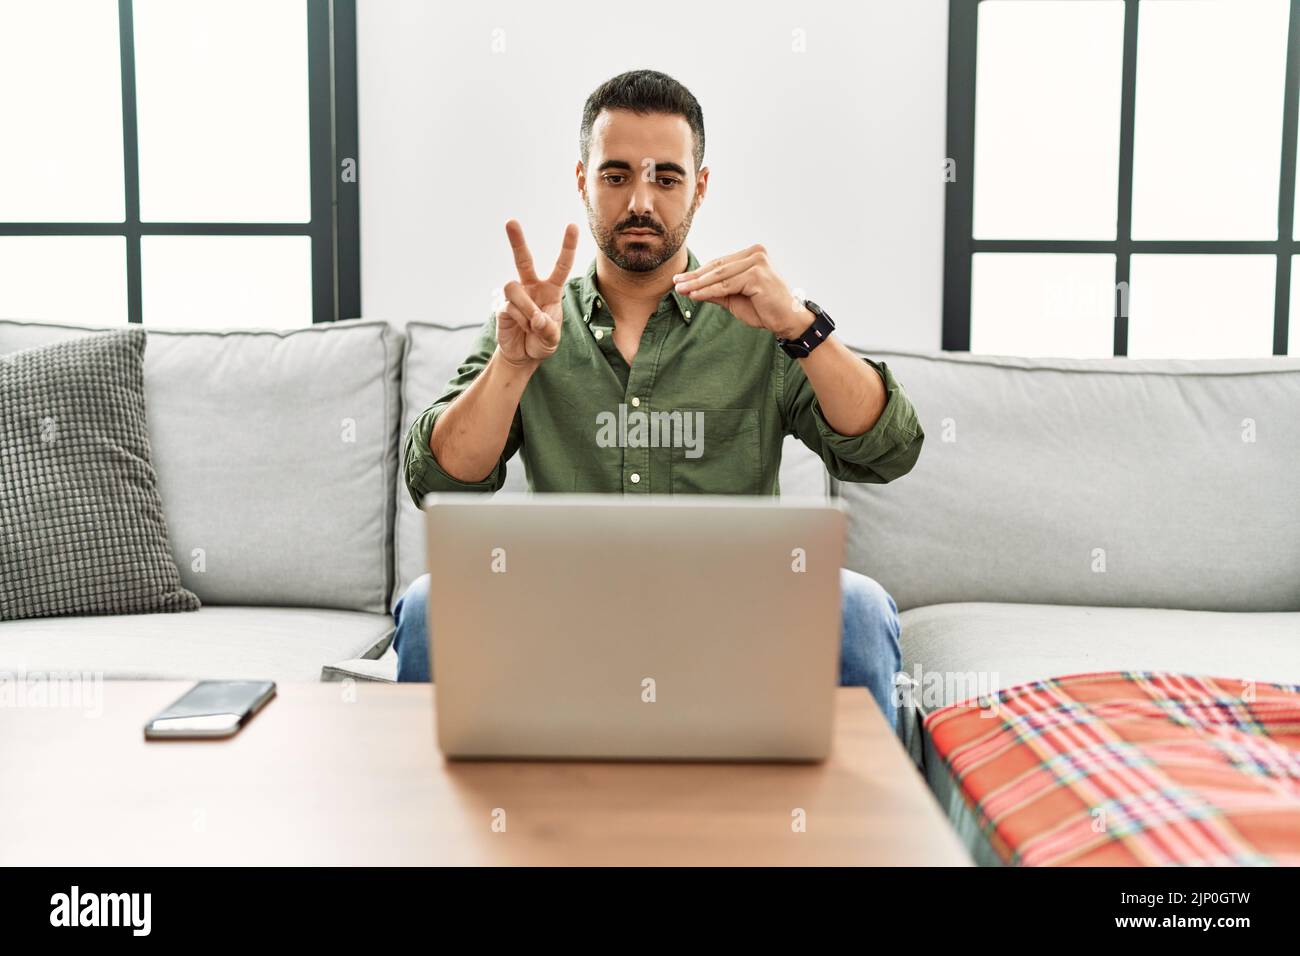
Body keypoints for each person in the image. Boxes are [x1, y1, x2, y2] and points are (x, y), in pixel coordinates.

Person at [394, 70, 923, 731]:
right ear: (582, 180)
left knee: (860, 609)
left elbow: (889, 450)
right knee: (428, 607)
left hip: (736, 619)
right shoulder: (532, 323)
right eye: (616, 175)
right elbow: (439, 479)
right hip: (565, 617)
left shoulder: (762, 323)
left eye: (665, 178)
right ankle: (430, 831)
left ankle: (858, 834)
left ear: (699, 187)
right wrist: (512, 364)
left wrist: (799, 325)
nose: (640, 200)